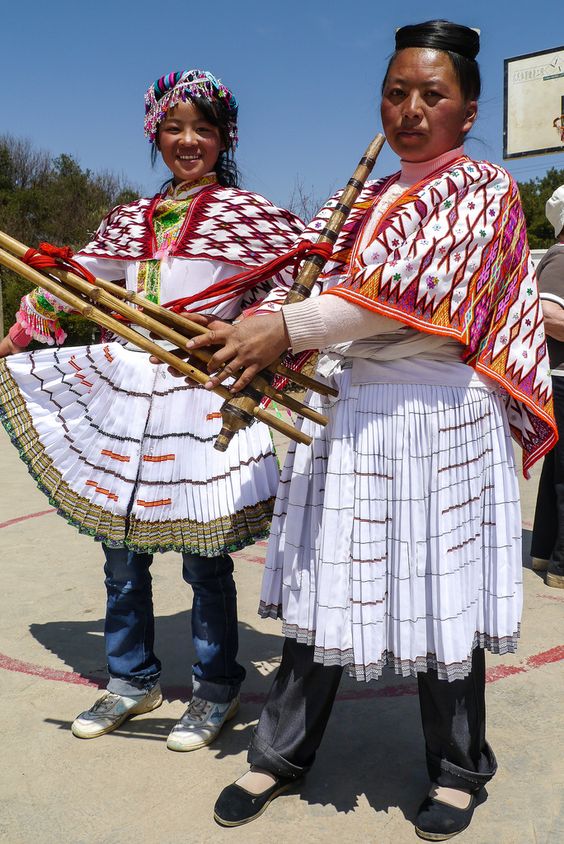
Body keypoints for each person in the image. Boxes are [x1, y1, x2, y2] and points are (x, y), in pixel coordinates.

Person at [183, 22, 556, 840]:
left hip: (440, 417)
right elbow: (302, 284)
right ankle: (280, 754)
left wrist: (289, 325)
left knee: (440, 591)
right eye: (396, 93)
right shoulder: (364, 198)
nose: (411, 110)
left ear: (469, 110)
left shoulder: (482, 189)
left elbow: (416, 295)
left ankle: (458, 768)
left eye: (433, 95)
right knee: (324, 585)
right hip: (351, 410)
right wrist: (240, 326)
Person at [0, 69, 303, 751]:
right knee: (120, 552)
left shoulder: (249, 215)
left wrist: (254, 326)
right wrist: (13, 341)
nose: (188, 141)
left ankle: (215, 688)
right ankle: (130, 679)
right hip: (129, 395)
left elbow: (300, 283)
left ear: (226, 135)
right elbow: (70, 282)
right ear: (154, 135)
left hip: (203, 393)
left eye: (203, 128)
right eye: (174, 128)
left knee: (204, 557)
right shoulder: (130, 219)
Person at [531, 185, 564, 589]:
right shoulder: (560, 256)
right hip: (561, 378)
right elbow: (547, 313)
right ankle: (561, 564)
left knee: (557, 472)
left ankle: (545, 552)